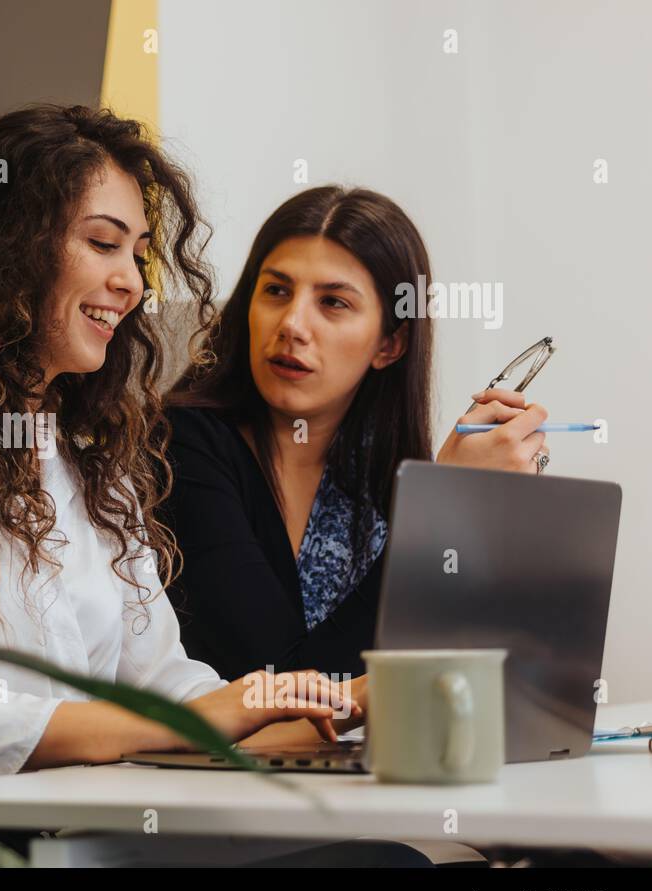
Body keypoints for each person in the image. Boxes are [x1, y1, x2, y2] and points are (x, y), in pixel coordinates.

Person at [0, 106, 359, 779]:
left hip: (98, 828)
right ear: (6, 249)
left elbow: (167, 684)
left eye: (139, 254)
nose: (130, 281)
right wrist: (184, 720)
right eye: (103, 243)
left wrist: (343, 711)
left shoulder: (90, 464)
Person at [163, 186, 549, 681]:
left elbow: (475, 673)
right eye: (276, 291)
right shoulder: (180, 445)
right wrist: (440, 506)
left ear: (389, 344)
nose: (293, 324)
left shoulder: (378, 470)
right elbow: (277, 687)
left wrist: (483, 517)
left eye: (333, 302)